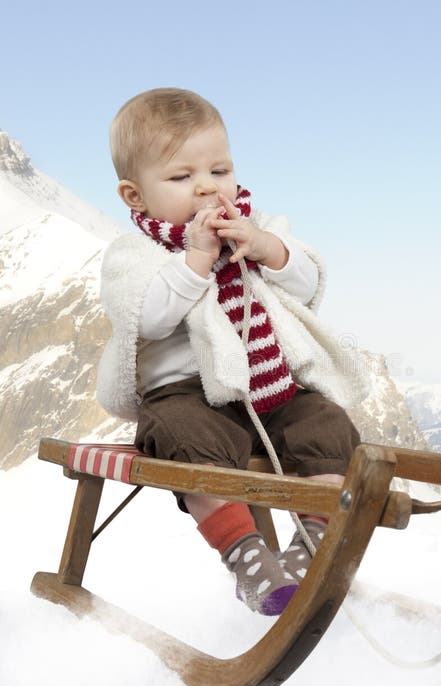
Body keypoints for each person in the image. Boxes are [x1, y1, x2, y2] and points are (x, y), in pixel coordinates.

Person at [97, 87, 370, 616]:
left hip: (270, 389)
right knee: (181, 435)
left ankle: (311, 545)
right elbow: (148, 316)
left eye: (219, 171)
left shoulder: (255, 226)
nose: (206, 188)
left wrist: (269, 248)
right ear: (135, 196)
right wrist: (196, 259)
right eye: (181, 178)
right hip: (187, 394)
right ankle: (246, 556)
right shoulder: (135, 253)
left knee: (330, 425)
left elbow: (308, 283)